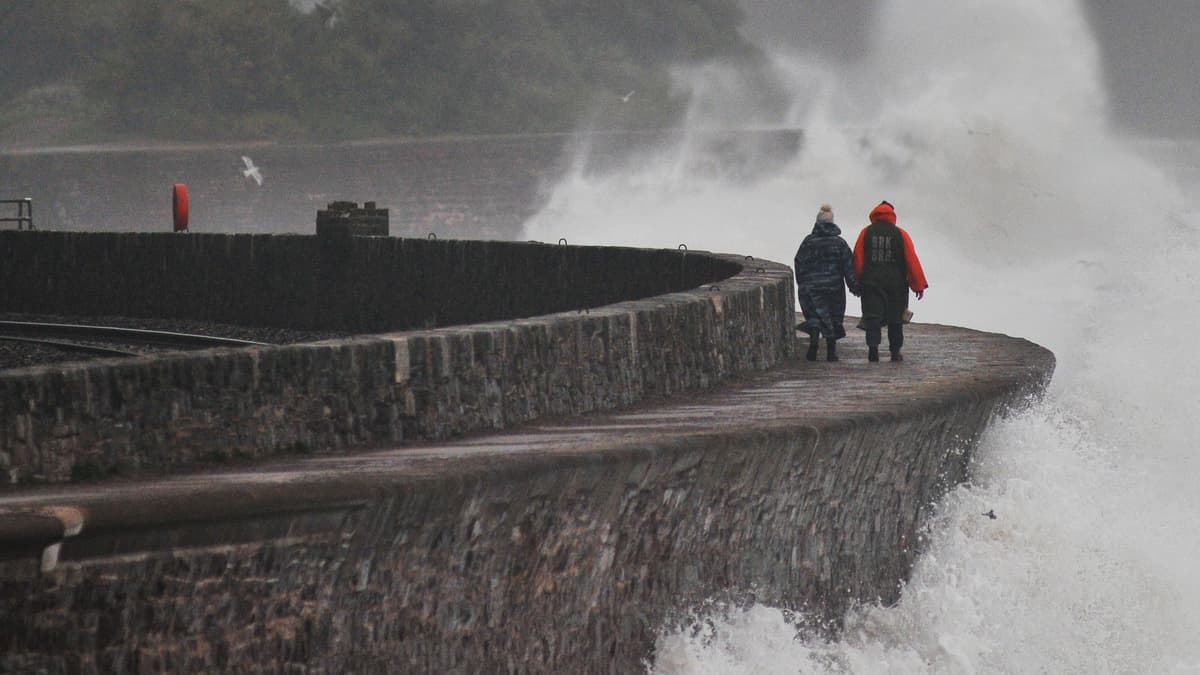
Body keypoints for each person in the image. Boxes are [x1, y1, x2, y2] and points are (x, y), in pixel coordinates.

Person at [852, 200, 929, 362]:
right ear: (892, 216)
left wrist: (858, 280)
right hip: (896, 285)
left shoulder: (865, 233)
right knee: (895, 320)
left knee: (872, 317)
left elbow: (858, 259)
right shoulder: (901, 234)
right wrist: (918, 284)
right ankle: (895, 352)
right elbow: (911, 260)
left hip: (871, 283)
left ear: (875, 215)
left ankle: (873, 349)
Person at [794, 203, 860, 362]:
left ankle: (814, 343)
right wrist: (855, 287)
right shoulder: (840, 243)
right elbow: (848, 268)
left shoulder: (808, 242)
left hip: (812, 287)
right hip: (834, 288)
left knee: (815, 316)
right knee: (833, 318)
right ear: (832, 223)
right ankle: (831, 352)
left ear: (817, 223)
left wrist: (802, 283)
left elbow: (799, 262)